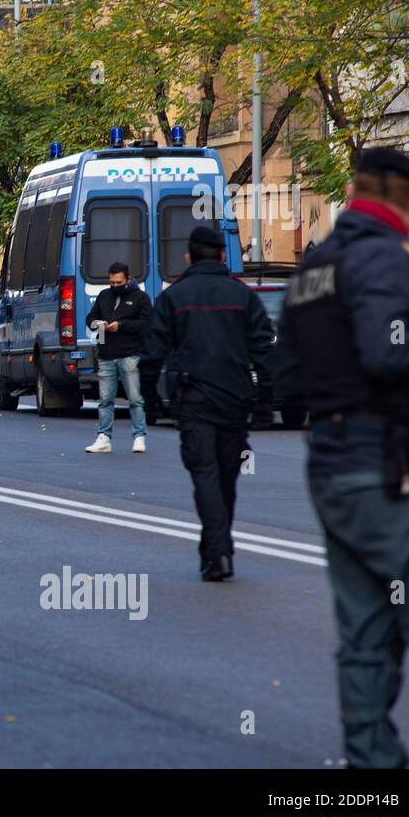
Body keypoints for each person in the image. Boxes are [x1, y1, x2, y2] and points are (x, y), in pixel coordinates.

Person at [278, 147, 409, 769]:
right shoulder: (380, 259)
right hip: (386, 467)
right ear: (404, 203)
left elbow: (287, 380)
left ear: (353, 191)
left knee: (366, 633)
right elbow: (386, 350)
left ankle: (370, 776)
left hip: (330, 466)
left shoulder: (314, 268)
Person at [140, 226, 274, 581]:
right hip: (235, 400)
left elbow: (152, 353)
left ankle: (218, 551)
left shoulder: (175, 296)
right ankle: (216, 547)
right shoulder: (242, 295)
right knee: (226, 477)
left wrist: (150, 401)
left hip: (195, 399)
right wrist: (264, 402)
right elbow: (264, 349)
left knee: (206, 475)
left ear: (189, 257)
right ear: (223, 256)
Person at [84, 262, 153, 454]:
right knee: (105, 399)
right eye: (112, 282)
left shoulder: (140, 298)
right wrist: (97, 323)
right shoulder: (104, 296)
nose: (115, 286)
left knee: (134, 398)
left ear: (128, 280)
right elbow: (90, 318)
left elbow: (147, 325)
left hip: (130, 354)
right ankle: (103, 437)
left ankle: (139, 436)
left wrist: (121, 326)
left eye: (119, 282)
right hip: (106, 354)